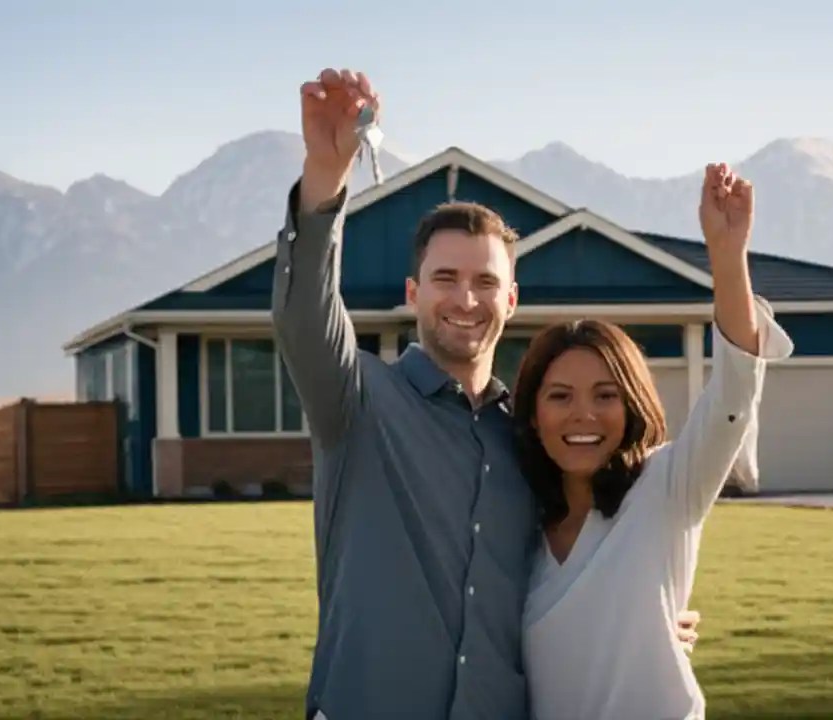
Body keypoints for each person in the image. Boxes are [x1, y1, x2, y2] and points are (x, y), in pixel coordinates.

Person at [272, 67, 699, 720]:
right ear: (413, 294)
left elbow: (578, 560)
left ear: (512, 299)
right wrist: (326, 178)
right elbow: (305, 315)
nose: (466, 300)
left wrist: (645, 619)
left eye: (486, 282)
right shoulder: (356, 402)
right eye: (445, 279)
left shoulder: (535, 440)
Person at [511, 163, 794, 719]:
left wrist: (727, 256)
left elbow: (734, 391)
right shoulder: (515, 527)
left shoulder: (668, 488)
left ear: (633, 406)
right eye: (560, 396)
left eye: (606, 395)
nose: (583, 414)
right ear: (533, 415)